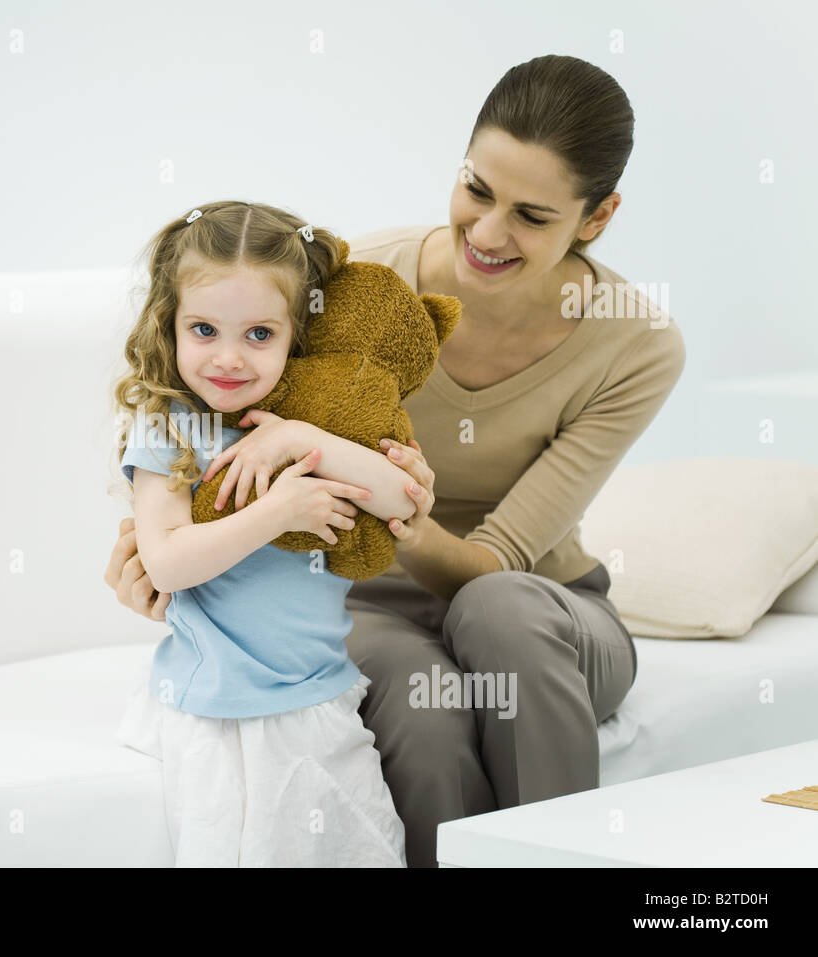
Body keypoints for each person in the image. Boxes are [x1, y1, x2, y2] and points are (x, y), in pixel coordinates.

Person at [105, 54, 686, 867]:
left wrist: (359, 480)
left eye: (532, 215)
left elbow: (496, 562)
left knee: (499, 610)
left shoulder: (636, 344)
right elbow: (217, 413)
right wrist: (167, 544)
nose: (487, 234)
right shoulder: (358, 281)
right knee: (421, 702)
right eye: (477, 190)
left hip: (546, 611)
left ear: (597, 218)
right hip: (364, 600)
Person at [111, 200, 424, 866]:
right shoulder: (174, 429)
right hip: (216, 710)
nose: (229, 357)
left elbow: (401, 497)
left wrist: (305, 439)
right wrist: (277, 513)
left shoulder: (309, 421)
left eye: (259, 334)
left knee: (362, 847)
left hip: (318, 696)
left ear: (293, 335)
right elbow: (165, 562)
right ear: (169, 327)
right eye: (203, 329)